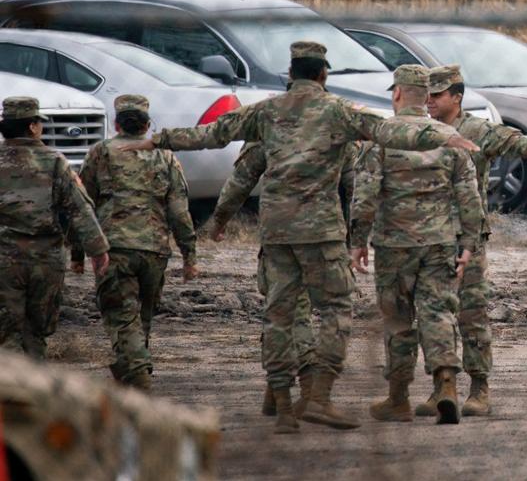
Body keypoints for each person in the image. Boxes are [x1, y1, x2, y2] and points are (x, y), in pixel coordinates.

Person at [114, 41, 477, 434]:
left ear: (291, 73)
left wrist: (160, 140)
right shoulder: (338, 111)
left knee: (279, 315)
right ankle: (319, 396)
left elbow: (214, 133)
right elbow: (386, 131)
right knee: (336, 310)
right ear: (324, 75)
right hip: (321, 231)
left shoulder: (266, 112)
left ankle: (284, 405)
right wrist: (440, 137)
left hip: (277, 230)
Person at [352, 64, 483, 425]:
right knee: (438, 313)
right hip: (440, 242)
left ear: (397, 94)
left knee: (398, 320)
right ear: (427, 97)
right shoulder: (448, 137)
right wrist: (469, 243)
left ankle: (397, 398)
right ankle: (446, 386)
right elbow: (469, 199)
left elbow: (364, 195)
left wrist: (357, 241)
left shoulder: (382, 137)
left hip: (394, 245)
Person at [422, 63, 527, 418]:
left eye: (437, 95)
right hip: (428, 236)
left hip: (468, 236)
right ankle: (441, 386)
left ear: (457, 97)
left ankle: (479, 387)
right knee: (434, 315)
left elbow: (510, 139)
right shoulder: (422, 131)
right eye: (427, 95)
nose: (430, 101)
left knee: (471, 312)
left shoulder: (475, 130)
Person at [209, 140, 360, 418]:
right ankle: (283, 391)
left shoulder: (269, 129)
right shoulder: (338, 131)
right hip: (324, 239)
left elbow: (240, 181)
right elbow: (355, 190)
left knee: (285, 313)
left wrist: (219, 220)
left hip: (281, 239)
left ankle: (301, 385)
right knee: (327, 312)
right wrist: (355, 241)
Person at [78, 95, 196, 390]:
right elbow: (180, 212)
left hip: (113, 247)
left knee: (122, 315)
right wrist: (189, 255)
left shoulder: (100, 152)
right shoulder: (165, 156)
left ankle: (139, 375)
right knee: (141, 316)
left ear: (117, 123)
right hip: (154, 250)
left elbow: (81, 205)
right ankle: (129, 372)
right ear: (146, 124)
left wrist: (77, 252)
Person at [0, 96, 109, 358]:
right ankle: (35, 391)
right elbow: (79, 209)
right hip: (45, 259)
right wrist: (97, 250)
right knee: (36, 333)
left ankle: (9, 390)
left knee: (5, 333)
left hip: (3, 258)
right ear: (32, 127)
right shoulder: (54, 161)